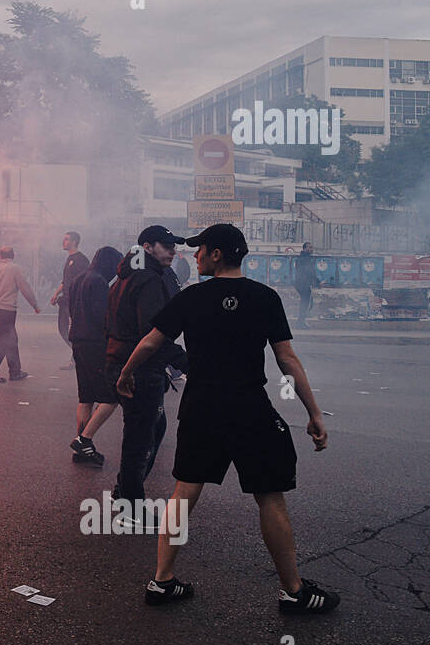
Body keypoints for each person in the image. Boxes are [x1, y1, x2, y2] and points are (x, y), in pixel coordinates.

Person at [114, 224, 337, 615]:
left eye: (200, 249)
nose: (194, 256)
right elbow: (287, 359)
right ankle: (293, 592)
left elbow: (152, 340)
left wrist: (126, 372)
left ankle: (162, 582)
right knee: (269, 496)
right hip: (249, 407)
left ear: (217, 255)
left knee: (184, 492)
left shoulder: (192, 298)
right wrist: (313, 412)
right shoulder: (265, 298)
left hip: (202, 408)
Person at [104, 226, 188, 512]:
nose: (173, 251)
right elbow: (153, 334)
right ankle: (129, 503)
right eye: (166, 246)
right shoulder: (148, 279)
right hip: (139, 367)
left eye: (174, 246)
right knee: (141, 436)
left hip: (122, 362)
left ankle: (125, 492)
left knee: (147, 430)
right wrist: (186, 362)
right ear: (148, 247)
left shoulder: (125, 275)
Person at [67, 246, 122, 466]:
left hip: (78, 340)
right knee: (110, 397)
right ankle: (84, 440)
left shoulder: (79, 278)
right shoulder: (99, 282)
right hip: (95, 343)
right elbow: (102, 317)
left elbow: (71, 310)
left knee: (86, 398)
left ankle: (82, 446)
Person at [0, 246, 41, 382]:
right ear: (13, 255)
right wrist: (34, 304)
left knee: (11, 339)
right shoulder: (15, 269)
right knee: (4, 341)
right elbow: (25, 288)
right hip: (8, 310)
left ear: (0, 256)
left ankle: (15, 371)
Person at [51, 231, 89, 369]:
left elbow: (83, 281)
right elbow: (65, 280)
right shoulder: (69, 259)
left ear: (74, 242)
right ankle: (77, 356)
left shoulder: (81, 260)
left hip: (73, 302)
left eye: (66, 239)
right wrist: (56, 294)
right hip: (65, 300)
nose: (63, 242)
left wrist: (78, 304)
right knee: (63, 329)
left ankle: (77, 358)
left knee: (70, 331)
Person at [292, 242, 318, 330]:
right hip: (303, 284)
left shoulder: (302, 258)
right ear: (304, 249)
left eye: (312, 247)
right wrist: (318, 282)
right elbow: (310, 272)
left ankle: (301, 322)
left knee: (306, 303)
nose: (311, 249)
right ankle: (300, 323)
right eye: (309, 247)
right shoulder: (305, 259)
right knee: (305, 304)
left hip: (301, 283)